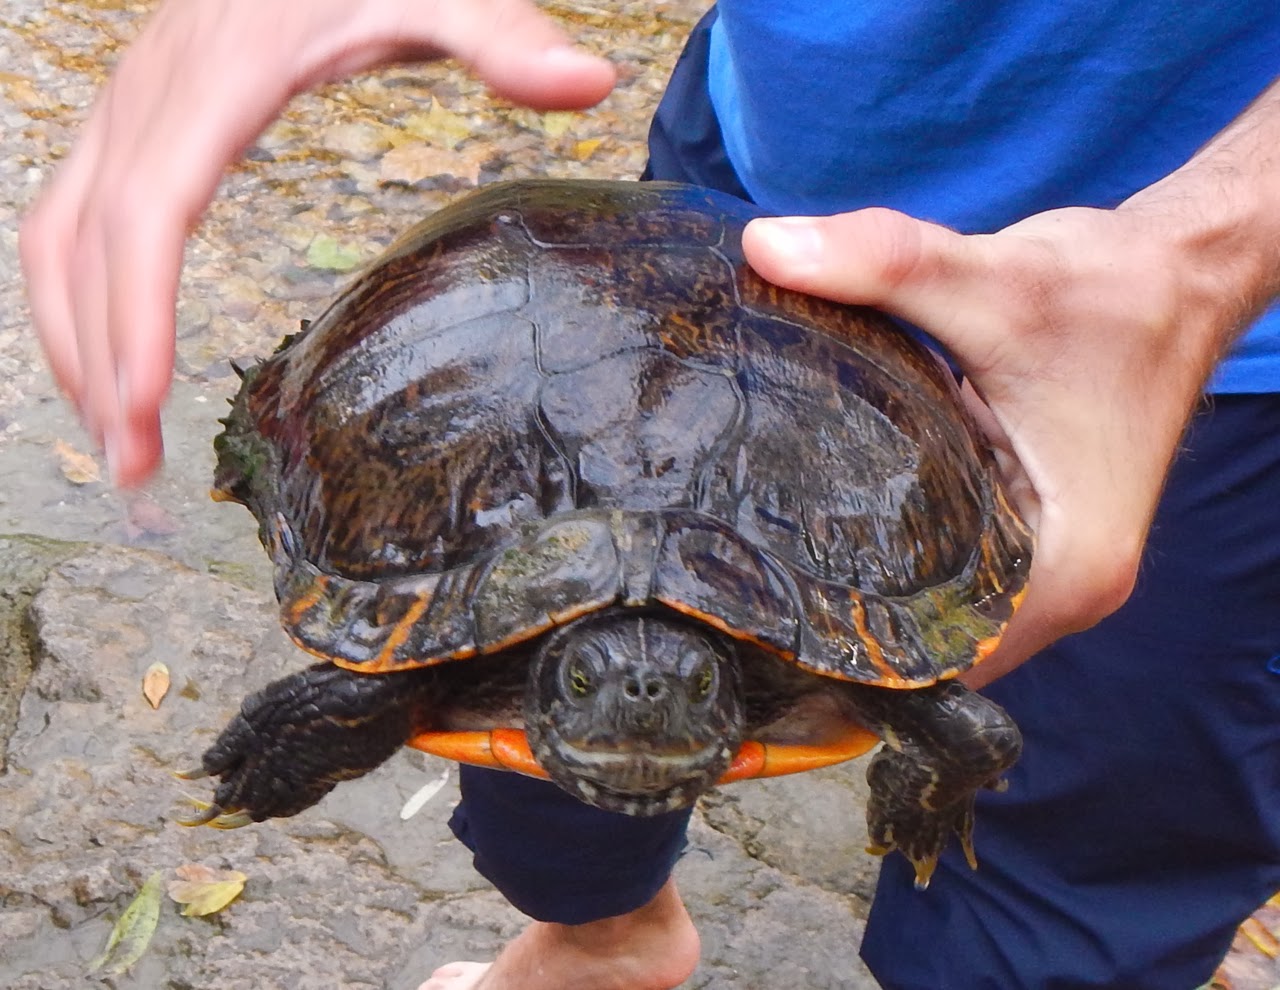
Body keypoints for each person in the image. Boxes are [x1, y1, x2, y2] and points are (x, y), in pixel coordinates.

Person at [20, 1, 1280, 987]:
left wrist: (1209, 248)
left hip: (1192, 310)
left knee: (1080, 874)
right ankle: (605, 938)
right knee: (539, 805)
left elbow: (970, 731)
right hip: (756, 161)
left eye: (645, 687)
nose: (632, 691)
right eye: (604, 678)